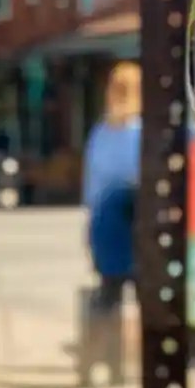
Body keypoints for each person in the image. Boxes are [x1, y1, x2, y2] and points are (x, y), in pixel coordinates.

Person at [82, 61, 142, 316]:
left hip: (106, 225)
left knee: (110, 293)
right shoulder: (146, 131)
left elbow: (91, 189)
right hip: (138, 222)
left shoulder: (101, 132)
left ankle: (106, 344)